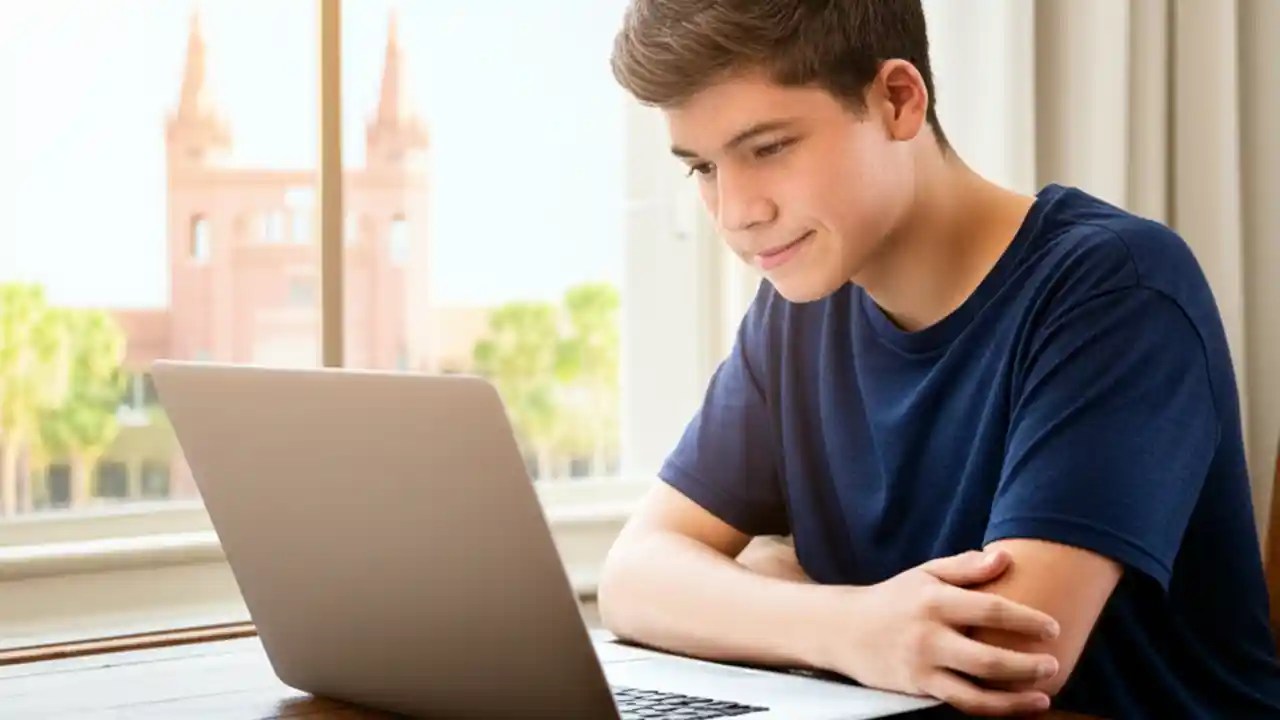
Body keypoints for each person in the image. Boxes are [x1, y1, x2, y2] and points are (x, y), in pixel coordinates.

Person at [596, 1, 1280, 717]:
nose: (736, 213)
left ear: (898, 100)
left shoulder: (1115, 286)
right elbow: (636, 578)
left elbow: (1001, 657)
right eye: (702, 167)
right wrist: (856, 625)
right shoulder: (797, 310)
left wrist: (765, 587)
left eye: (768, 147)